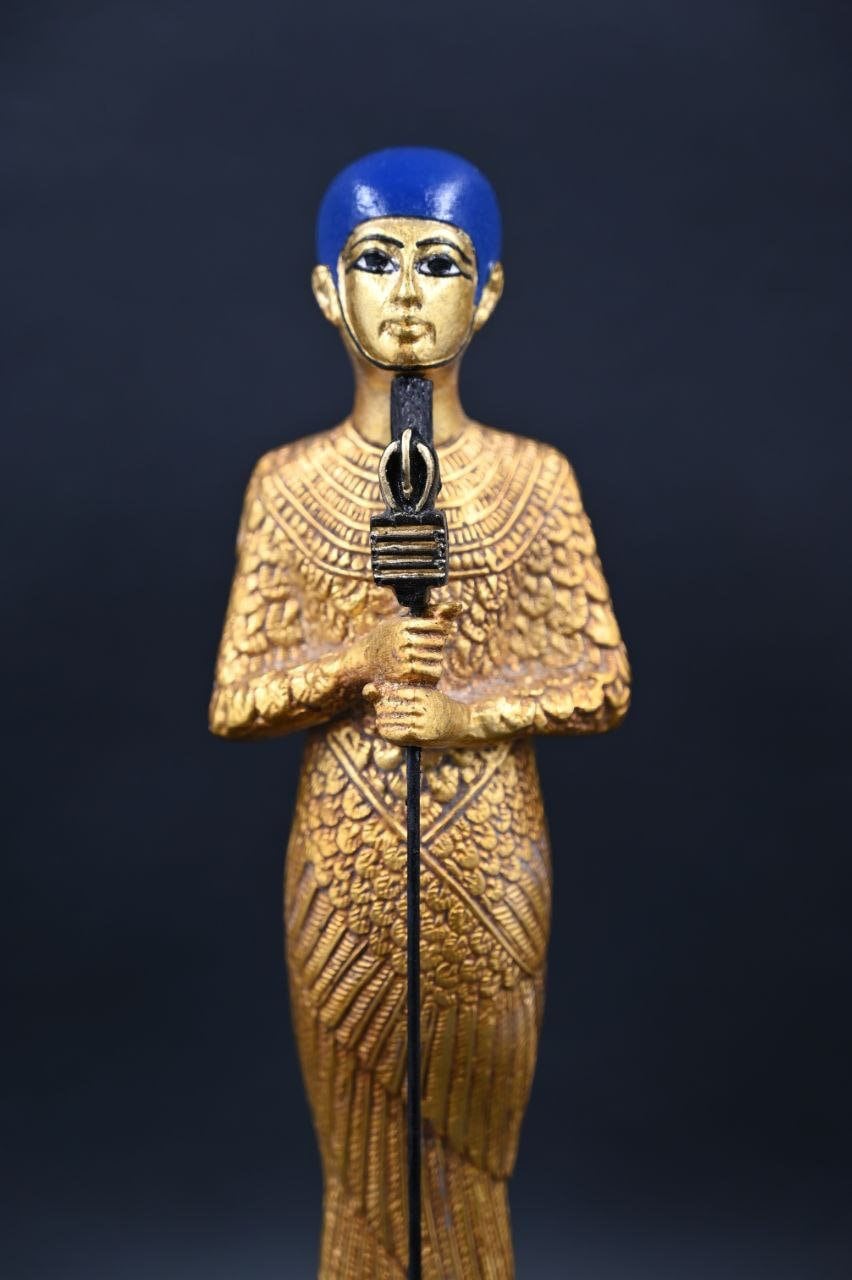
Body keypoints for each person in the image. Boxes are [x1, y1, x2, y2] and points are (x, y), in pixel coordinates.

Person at [210, 147, 631, 1280]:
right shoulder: (288, 482)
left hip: (489, 856)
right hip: (343, 861)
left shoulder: (536, 479)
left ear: (486, 293)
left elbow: (600, 678)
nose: (406, 292)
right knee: (359, 1169)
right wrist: (357, 659)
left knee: (472, 1162)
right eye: (377, 261)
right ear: (325, 290)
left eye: (439, 263)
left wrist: (465, 712)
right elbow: (237, 699)